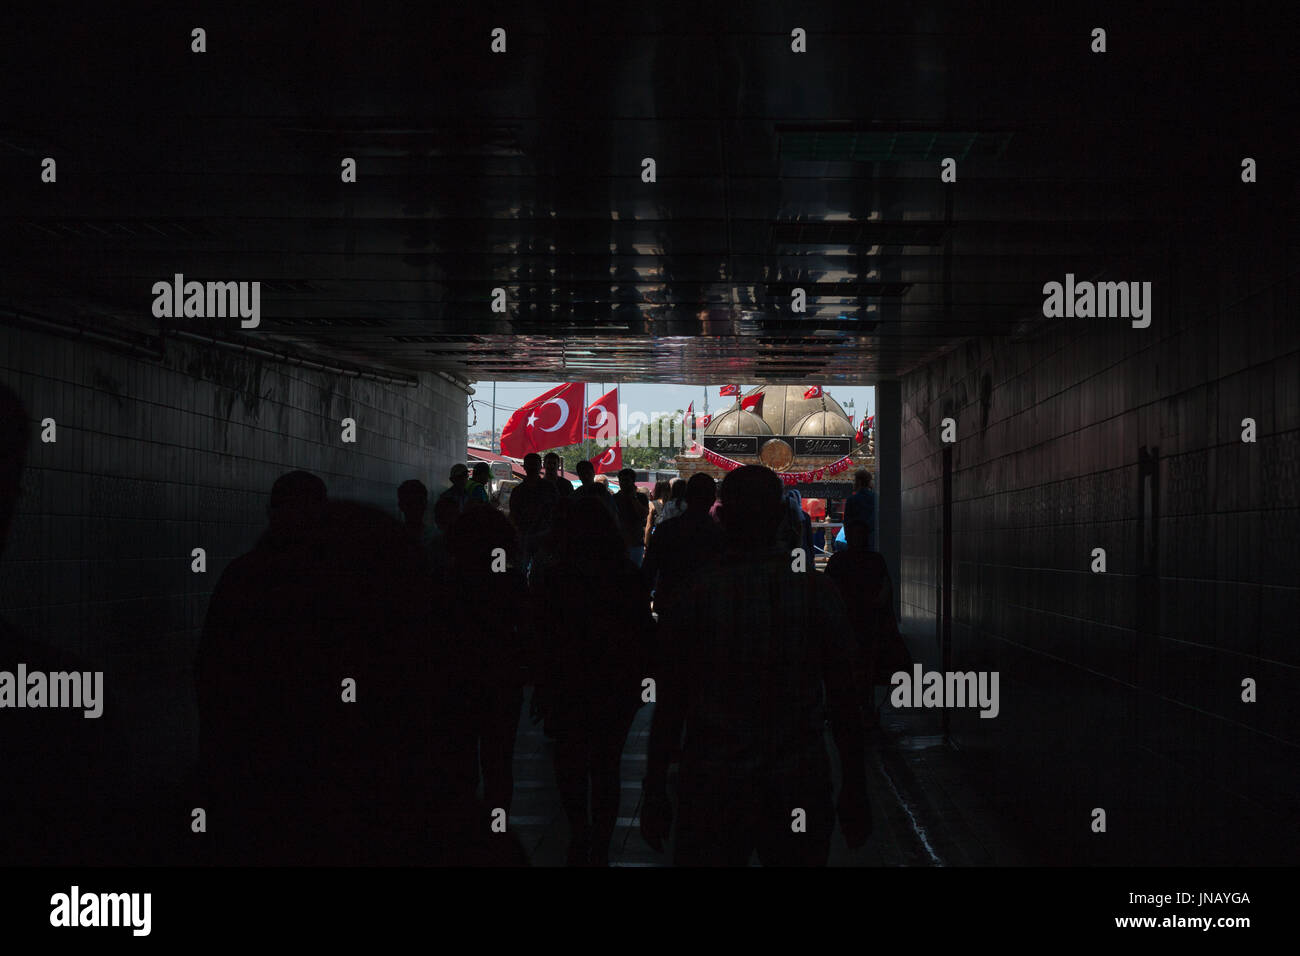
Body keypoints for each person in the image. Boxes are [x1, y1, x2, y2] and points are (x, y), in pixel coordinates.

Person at [642, 465, 870, 865]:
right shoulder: (816, 592)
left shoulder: (697, 594)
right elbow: (845, 697)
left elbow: (671, 702)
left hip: (713, 785)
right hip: (797, 783)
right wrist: (854, 786)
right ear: (784, 519)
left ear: (724, 519)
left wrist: (656, 786)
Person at [529, 496, 654, 865]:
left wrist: (541, 684)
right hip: (615, 683)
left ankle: (579, 833)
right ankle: (600, 839)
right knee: (606, 765)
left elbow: (541, 635)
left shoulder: (554, 577)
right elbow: (641, 631)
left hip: (567, 680)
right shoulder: (625, 575)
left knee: (569, 762)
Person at [823, 521, 904, 726]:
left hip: (846, 623)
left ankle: (848, 708)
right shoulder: (875, 560)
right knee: (868, 666)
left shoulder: (838, 561)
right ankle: (866, 708)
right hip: (869, 622)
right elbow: (885, 590)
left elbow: (828, 593)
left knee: (848, 668)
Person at [641, 473, 722, 621]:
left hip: (670, 604)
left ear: (687, 496)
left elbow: (648, 572)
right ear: (712, 499)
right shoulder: (720, 535)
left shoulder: (666, 529)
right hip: (707, 611)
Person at [507, 453, 558, 569]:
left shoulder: (518, 491)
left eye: (533, 465)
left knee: (522, 570)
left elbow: (514, 515)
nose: (532, 468)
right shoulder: (549, 488)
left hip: (528, 536)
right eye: (531, 465)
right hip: (542, 536)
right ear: (541, 467)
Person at [612, 467, 650, 566]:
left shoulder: (641, 497)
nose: (623, 483)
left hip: (636, 543)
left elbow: (643, 514)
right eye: (621, 480)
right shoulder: (614, 499)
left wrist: (633, 498)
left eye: (626, 480)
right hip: (618, 543)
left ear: (633, 481)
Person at [840, 469, 877, 552]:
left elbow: (847, 522)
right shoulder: (876, 498)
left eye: (854, 480)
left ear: (859, 482)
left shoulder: (852, 500)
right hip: (872, 540)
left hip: (855, 541)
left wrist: (849, 540)